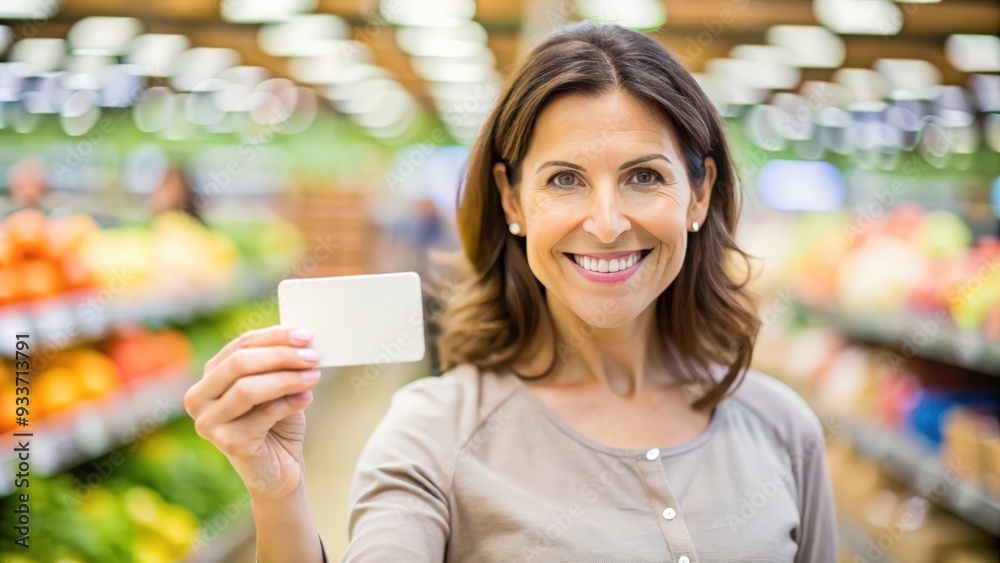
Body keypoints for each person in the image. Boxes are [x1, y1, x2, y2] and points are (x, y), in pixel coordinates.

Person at [183, 23, 838, 563]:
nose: (607, 223)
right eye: (564, 180)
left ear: (697, 193)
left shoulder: (783, 427)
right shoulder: (434, 434)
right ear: (511, 198)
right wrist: (279, 496)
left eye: (643, 175)